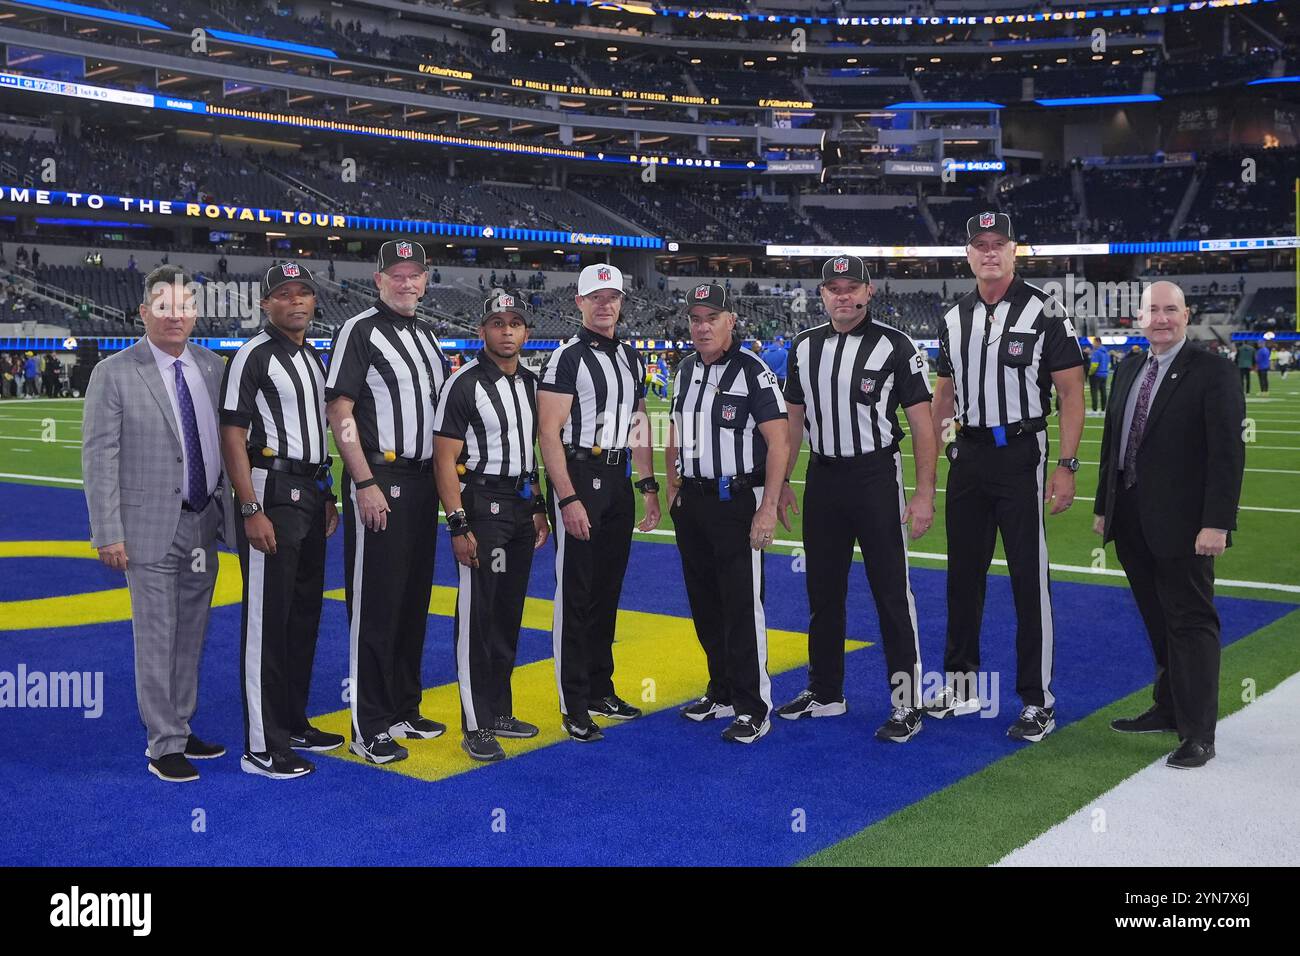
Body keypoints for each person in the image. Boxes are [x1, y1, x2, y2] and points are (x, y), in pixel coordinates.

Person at [928, 212, 1085, 742]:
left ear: (1014, 250)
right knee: (962, 576)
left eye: (998, 244)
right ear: (968, 254)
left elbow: (1070, 393)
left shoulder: (1044, 310)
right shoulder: (953, 318)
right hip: (968, 455)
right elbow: (943, 394)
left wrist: (1065, 466)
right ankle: (961, 684)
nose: (989, 253)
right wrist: (946, 444)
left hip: (1021, 451)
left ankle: (1037, 700)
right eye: (979, 245)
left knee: (1027, 579)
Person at [774, 256, 937, 742]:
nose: (842, 296)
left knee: (891, 591)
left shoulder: (895, 344)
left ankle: (907, 702)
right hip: (823, 477)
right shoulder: (803, 346)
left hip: (875, 475)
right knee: (823, 592)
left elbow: (923, 424)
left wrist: (925, 492)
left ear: (868, 292)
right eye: (833, 288)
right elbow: (794, 420)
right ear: (821, 294)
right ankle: (826, 691)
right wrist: (781, 480)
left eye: (851, 288)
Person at [81, 266, 234, 782]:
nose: (175, 316)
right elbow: (99, 456)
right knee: (156, 633)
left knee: (191, 632)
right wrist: (108, 532)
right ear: (144, 313)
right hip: (146, 526)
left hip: (202, 522)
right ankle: (163, 741)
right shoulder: (115, 371)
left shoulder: (213, 367)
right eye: (163, 307)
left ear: (195, 313)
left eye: (184, 306)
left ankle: (182, 726)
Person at [1093, 281, 1245, 769]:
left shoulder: (1212, 371)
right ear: (1138, 318)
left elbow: (1227, 453)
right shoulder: (1130, 367)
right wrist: (1104, 507)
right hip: (1133, 519)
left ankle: (1199, 733)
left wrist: (1217, 522)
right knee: (1157, 620)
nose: (1161, 318)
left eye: (1170, 310)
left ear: (1187, 315)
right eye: (1152, 310)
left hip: (1185, 525)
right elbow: (1113, 444)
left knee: (1191, 622)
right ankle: (1168, 707)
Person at [325, 239, 450, 764]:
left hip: (423, 484)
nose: (406, 282)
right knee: (375, 603)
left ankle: (402, 706)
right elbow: (340, 410)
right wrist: (363, 480)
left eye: (414, 274)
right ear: (378, 280)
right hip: (383, 477)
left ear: (426, 280)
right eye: (395, 275)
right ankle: (368, 722)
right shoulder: (359, 329)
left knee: (412, 600)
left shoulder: (427, 335)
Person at [219, 262, 343, 780]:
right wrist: (249, 507)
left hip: (311, 490)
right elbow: (232, 433)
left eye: (304, 293)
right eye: (284, 294)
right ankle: (261, 744)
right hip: (272, 489)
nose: (296, 301)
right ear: (266, 303)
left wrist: (329, 492)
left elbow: (318, 429)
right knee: (268, 620)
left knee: (302, 614)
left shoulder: (312, 357)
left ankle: (292, 721)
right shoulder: (253, 354)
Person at [537, 262, 662, 742]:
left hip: (617, 476)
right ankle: (573, 702)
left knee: (607, 591)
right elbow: (548, 433)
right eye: (597, 297)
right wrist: (565, 496)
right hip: (580, 472)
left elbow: (638, 424)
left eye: (613, 297)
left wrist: (647, 487)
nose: (605, 304)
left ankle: (599, 688)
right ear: (580, 303)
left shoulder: (631, 357)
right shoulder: (566, 357)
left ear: (621, 303)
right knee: (576, 593)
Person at [665, 284, 789, 743]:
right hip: (693, 502)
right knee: (705, 604)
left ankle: (753, 705)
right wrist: (673, 485)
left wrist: (768, 508)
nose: (702, 326)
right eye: (695, 318)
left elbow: (779, 441)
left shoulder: (753, 371)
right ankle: (721, 690)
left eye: (711, 317)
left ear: (730, 321)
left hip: (737, 500)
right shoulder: (682, 371)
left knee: (741, 605)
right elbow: (674, 431)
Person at [433, 290, 550, 762]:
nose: (506, 331)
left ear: (526, 331)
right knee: (477, 616)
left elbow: (532, 453)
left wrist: (539, 504)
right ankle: (474, 722)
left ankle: (499, 709)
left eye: (515, 323)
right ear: (482, 330)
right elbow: (444, 461)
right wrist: (458, 524)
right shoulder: (462, 384)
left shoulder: (532, 383)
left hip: (521, 505)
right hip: (482, 503)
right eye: (497, 323)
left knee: (507, 613)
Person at [1087, 340, 1110, 416]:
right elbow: (1109, 364)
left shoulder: (1096, 352)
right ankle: (1103, 410)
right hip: (1104, 374)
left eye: (1094, 343)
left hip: (1096, 375)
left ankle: (1094, 410)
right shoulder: (1106, 353)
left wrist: (1090, 373)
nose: (1093, 344)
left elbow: (1094, 365)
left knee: (1094, 393)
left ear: (1098, 342)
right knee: (1103, 393)